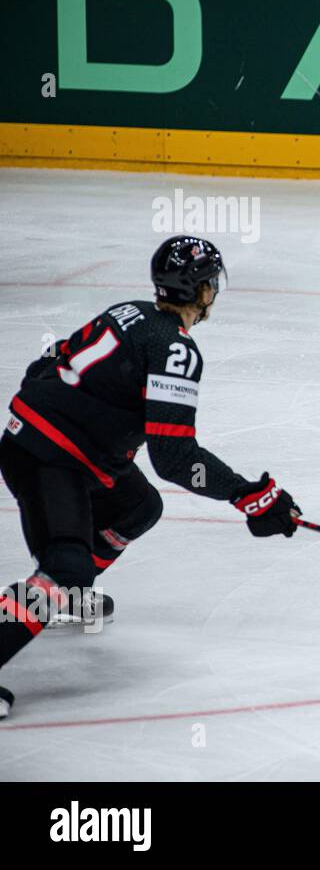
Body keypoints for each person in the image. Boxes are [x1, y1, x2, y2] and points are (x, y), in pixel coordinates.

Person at [0, 236, 300, 719]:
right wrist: (248, 494)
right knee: (65, 565)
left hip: (49, 443)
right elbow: (175, 457)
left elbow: (45, 362)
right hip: (50, 457)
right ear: (202, 291)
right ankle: (59, 589)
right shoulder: (176, 350)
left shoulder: (130, 311)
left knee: (139, 506)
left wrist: (89, 426)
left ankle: (68, 596)